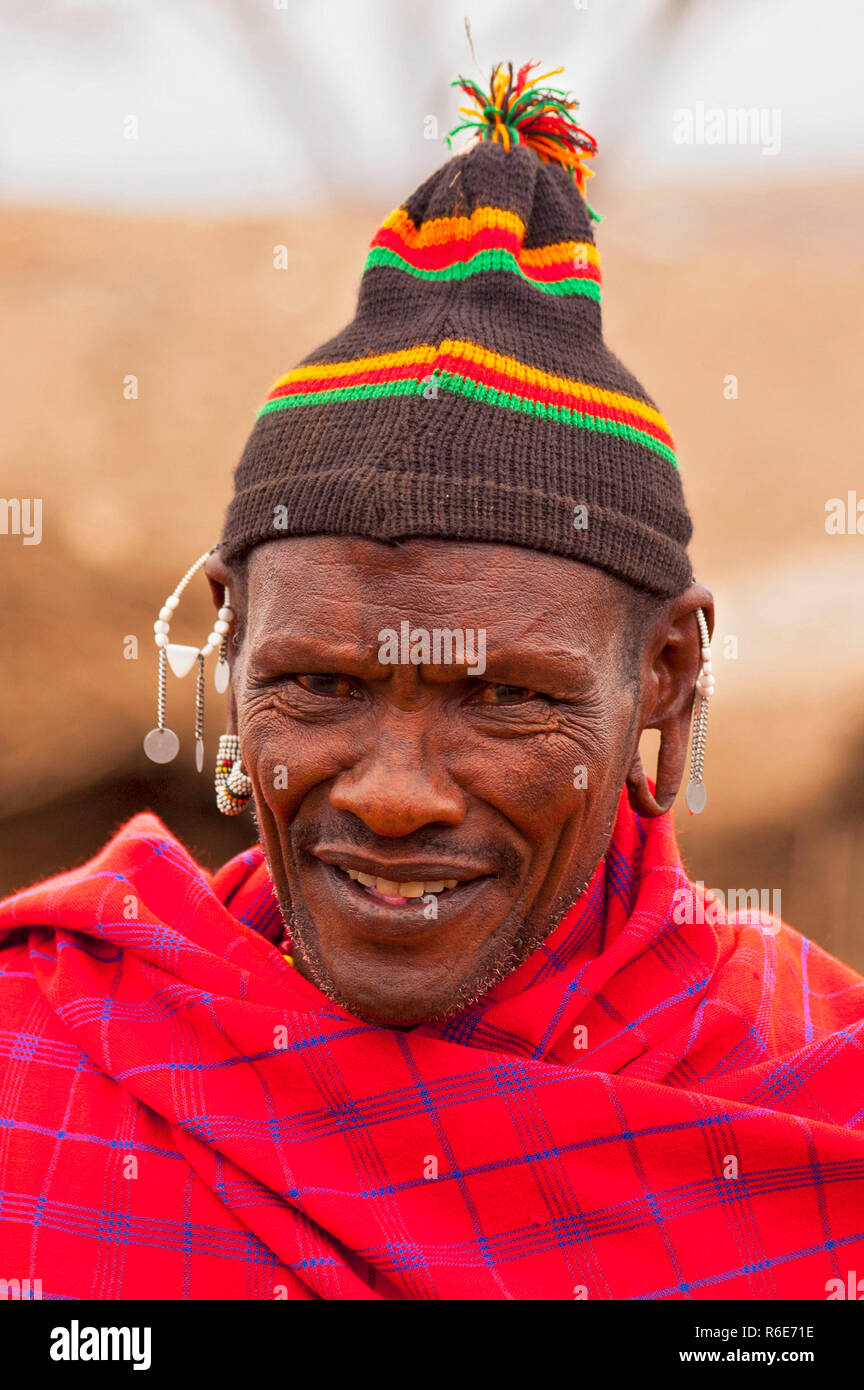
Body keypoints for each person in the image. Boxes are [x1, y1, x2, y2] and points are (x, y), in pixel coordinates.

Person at [1, 62, 862, 1302]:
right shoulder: (50, 1064)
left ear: (666, 676)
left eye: (507, 698)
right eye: (320, 685)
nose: (396, 796)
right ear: (229, 640)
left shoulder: (818, 1109)